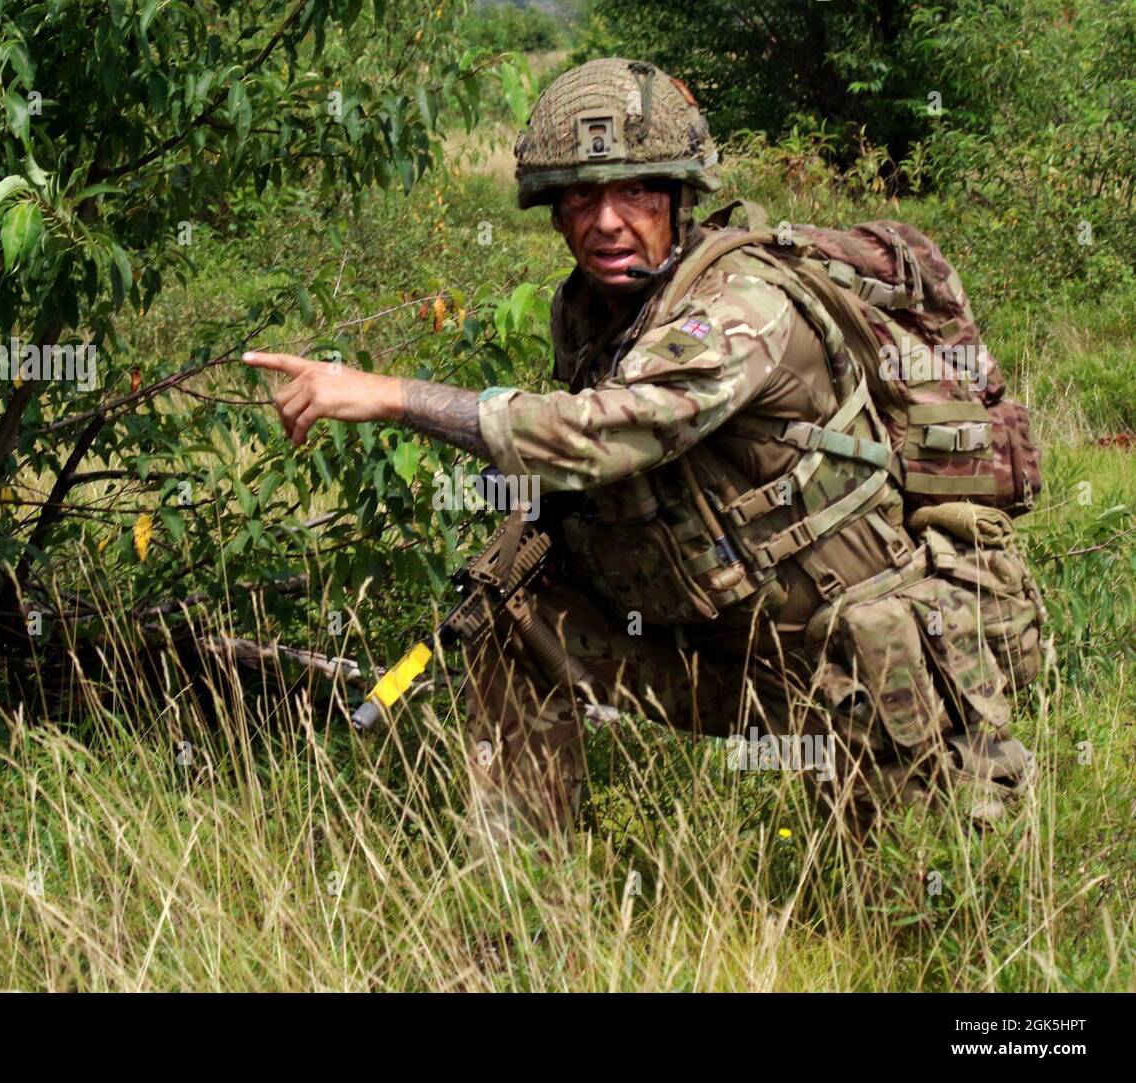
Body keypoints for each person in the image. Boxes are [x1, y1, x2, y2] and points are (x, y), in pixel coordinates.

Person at [244, 58, 1037, 846]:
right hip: (724, 649)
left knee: (920, 880)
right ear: (554, 213)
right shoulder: (589, 312)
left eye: (636, 193)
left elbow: (602, 432)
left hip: (857, 657)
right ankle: (523, 880)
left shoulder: (742, 305)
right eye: (581, 198)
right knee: (514, 615)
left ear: (680, 198)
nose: (607, 222)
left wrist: (387, 394)